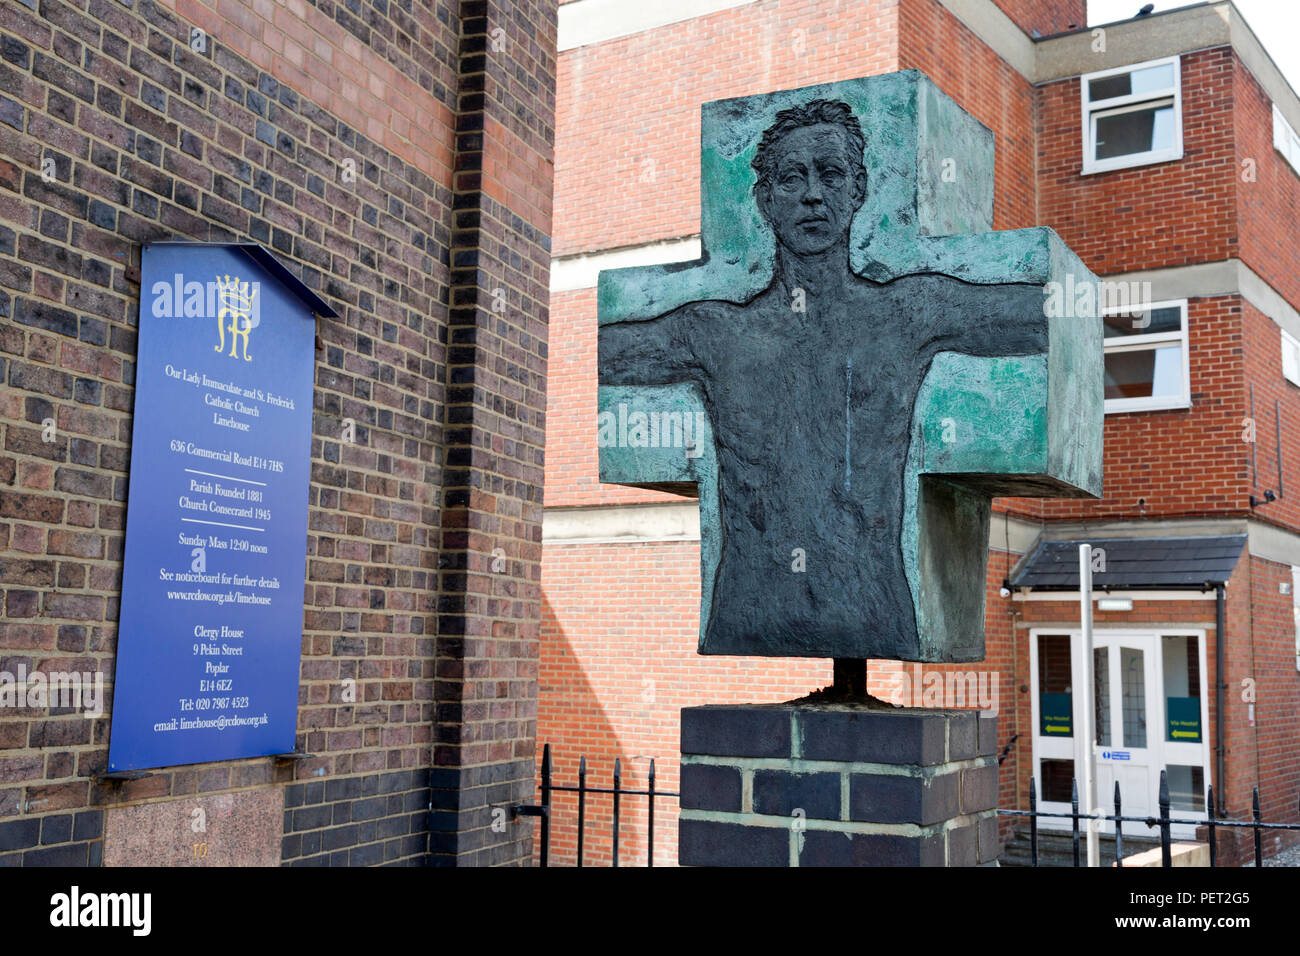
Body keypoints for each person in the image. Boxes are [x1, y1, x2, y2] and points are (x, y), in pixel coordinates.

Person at [599, 99, 1047, 659]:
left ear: (858, 190)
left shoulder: (908, 313)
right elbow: (609, 348)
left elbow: (1050, 314)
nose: (814, 195)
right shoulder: (715, 333)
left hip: (875, 609)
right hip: (748, 608)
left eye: (830, 175)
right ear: (765, 199)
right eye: (793, 178)